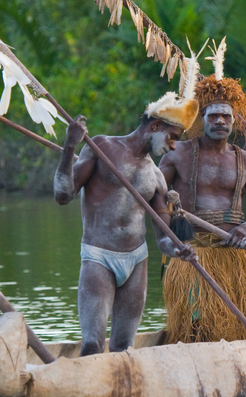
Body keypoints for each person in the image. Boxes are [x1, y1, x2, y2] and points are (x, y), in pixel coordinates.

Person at [53, 88, 199, 356]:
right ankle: (89, 395)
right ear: (155, 126)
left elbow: (163, 235)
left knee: (123, 348)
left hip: (136, 260)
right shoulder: (102, 147)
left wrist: (178, 250)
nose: (174, 145)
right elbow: (63, 194)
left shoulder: (156, 176)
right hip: (98, 256)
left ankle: (119, 395)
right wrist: (70, 145)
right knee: (92, 345)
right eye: (173, 137)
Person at [159, 51, 246, 344]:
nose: (220, 121)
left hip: (234, 253)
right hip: (192, 254)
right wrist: (168, 231)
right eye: (214, 116)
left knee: (240, 322)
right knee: (195, 326)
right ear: (202, 118)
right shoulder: (178, 154)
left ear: (234, 121)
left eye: (226, 116)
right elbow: (153, 198)